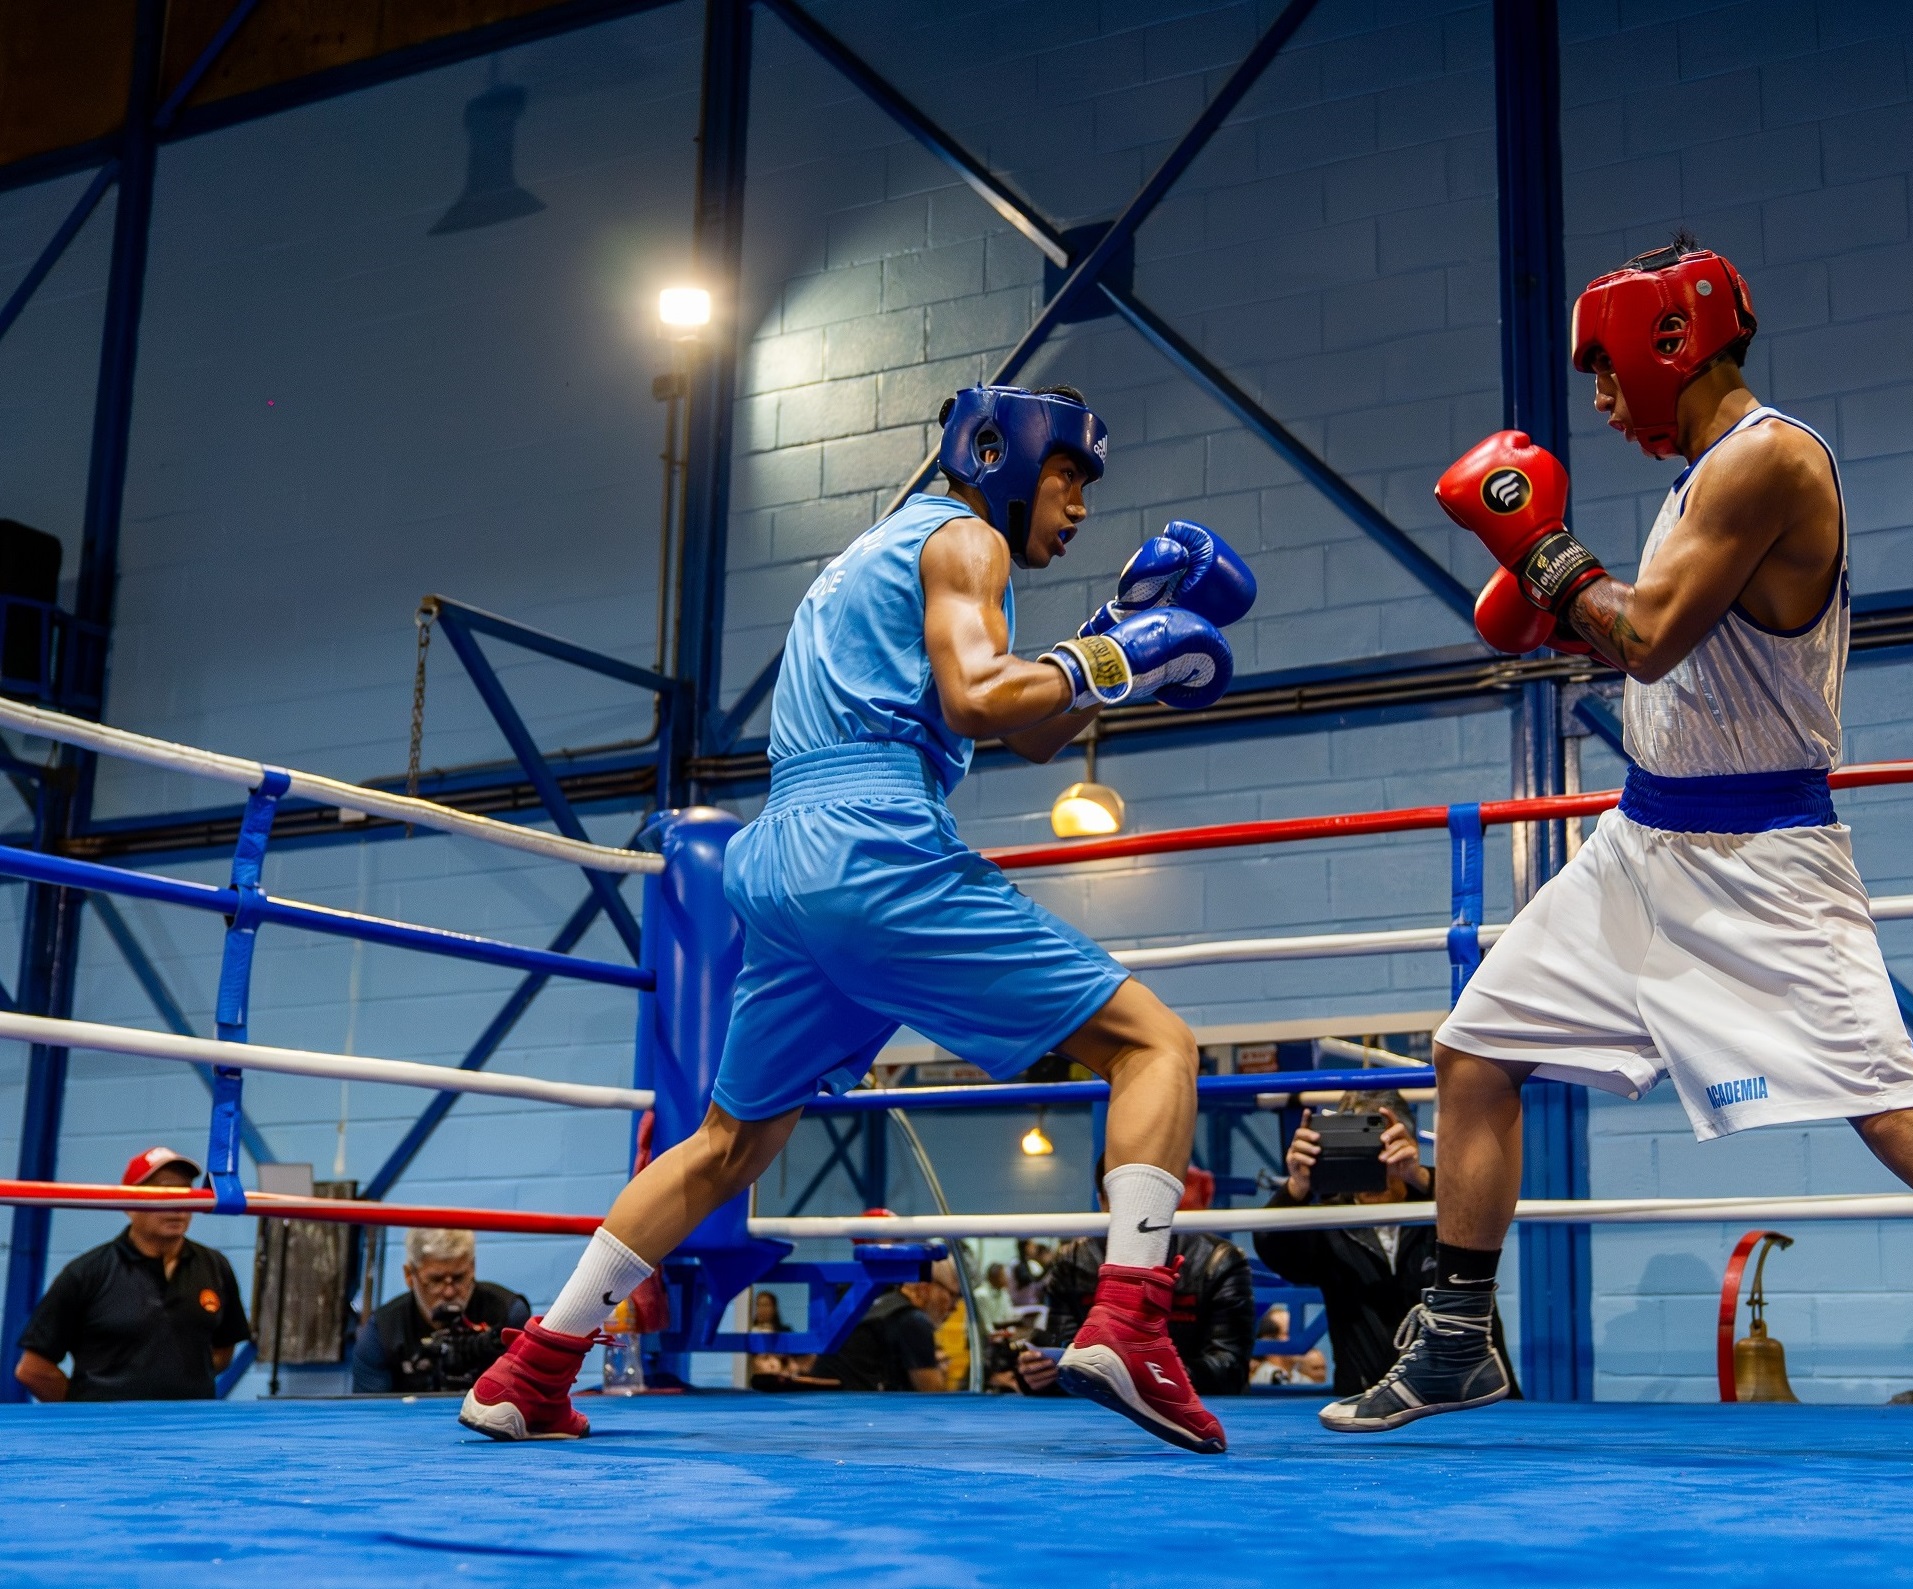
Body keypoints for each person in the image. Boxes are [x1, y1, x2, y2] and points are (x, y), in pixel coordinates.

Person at [1349, 234, 1913, 1470]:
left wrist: (1539, 547)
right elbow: (1650, 654)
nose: (1595, 398)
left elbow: (1640, 639)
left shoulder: (1769, 462)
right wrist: (1549, 588)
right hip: (1641, 843)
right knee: (1472, 1052)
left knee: (1898, 1121)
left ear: (1670, 346)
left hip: (1763, 861)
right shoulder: (1693, 485)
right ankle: (1455, 1338)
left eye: (1604, 369)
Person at [466, 385, 1256, 1453]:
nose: (1075, 510)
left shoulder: (870, 559)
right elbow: (982, 698)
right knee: (1153, 1045)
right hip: (871, 842)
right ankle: (1130, 1317)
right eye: (1068, 478)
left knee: (726, 1141)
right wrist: (1114, 660)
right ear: (1000, 456)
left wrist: (1111, 646)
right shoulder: (965, 538)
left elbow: (1020, 735)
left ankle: (532, 1369)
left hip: (782, 856)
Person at [1253, 1090, 1514, 1399]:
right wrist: (1295, 1188)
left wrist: (1417, 1176)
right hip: (1368, 1400)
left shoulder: (1444, 1204)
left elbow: (1486, 1216)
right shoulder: (1329, 1220)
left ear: (1408, 1145)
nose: (1368, 1164)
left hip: (1467, 1400)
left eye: (1376, 1148)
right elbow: (1274, 1250)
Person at [14, 1148, 248, 1402]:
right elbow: (33, 1370)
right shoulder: (87, 1273)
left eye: (185, 1192)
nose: (177, 1206)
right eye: (163, 1193)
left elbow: (223, 1350)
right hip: (108, 1436)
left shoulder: (215, 1266)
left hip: (189, 1432)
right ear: (129, 1204)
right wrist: (86, 1417)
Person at [1016, 1162, 1254, 1401]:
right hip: (1097, 1415)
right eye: (1125, 1199)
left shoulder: (1217, 1261)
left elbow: (1229, 1370)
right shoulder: (1074, 1260)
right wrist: (1042, 1374)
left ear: (1166, 1196)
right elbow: (1066, 1350)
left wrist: (1139, 1376)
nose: (1137, 1209)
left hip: (1199, 1407)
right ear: (1103, 1202)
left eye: (1145, 1196)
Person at [350, 1227, 529, 1394]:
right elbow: (372, 1417)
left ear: (472, 1267)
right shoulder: (382, 1333)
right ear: (409, 1275)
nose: (449, 1292)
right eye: (435, 1280)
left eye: (459, 1278)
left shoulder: (507, 1314)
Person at [814, 1259, 960, 1393]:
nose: (954, 1307)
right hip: (854, 1405)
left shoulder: (881, 1303)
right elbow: (934, 1394)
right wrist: (941, 1371)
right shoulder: (912, 1320)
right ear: (926, 1286)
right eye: (952, 1295)